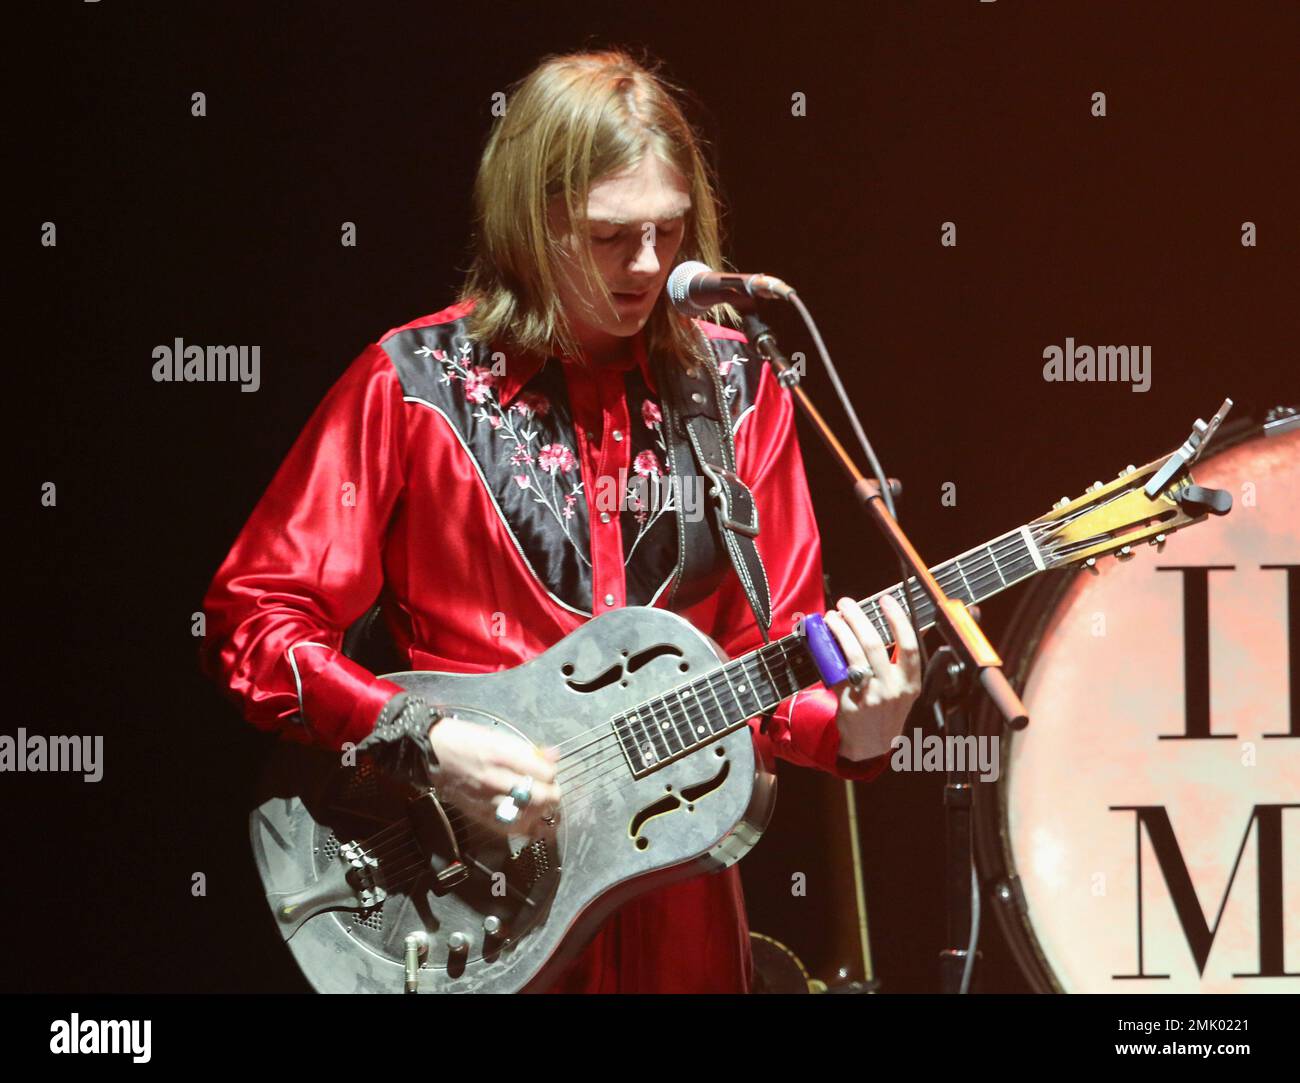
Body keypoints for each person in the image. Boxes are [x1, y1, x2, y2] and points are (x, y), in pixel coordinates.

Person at [199, 47, 920, 993]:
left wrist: (861, 727)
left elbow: (774, 659)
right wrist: (423, 736)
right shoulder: (412, 386)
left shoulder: (739, 384)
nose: (651, 264)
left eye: (669, 231)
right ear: (530, 224)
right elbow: (256, 619)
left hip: (677, 922)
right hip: (459, 908)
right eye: (611, 235)